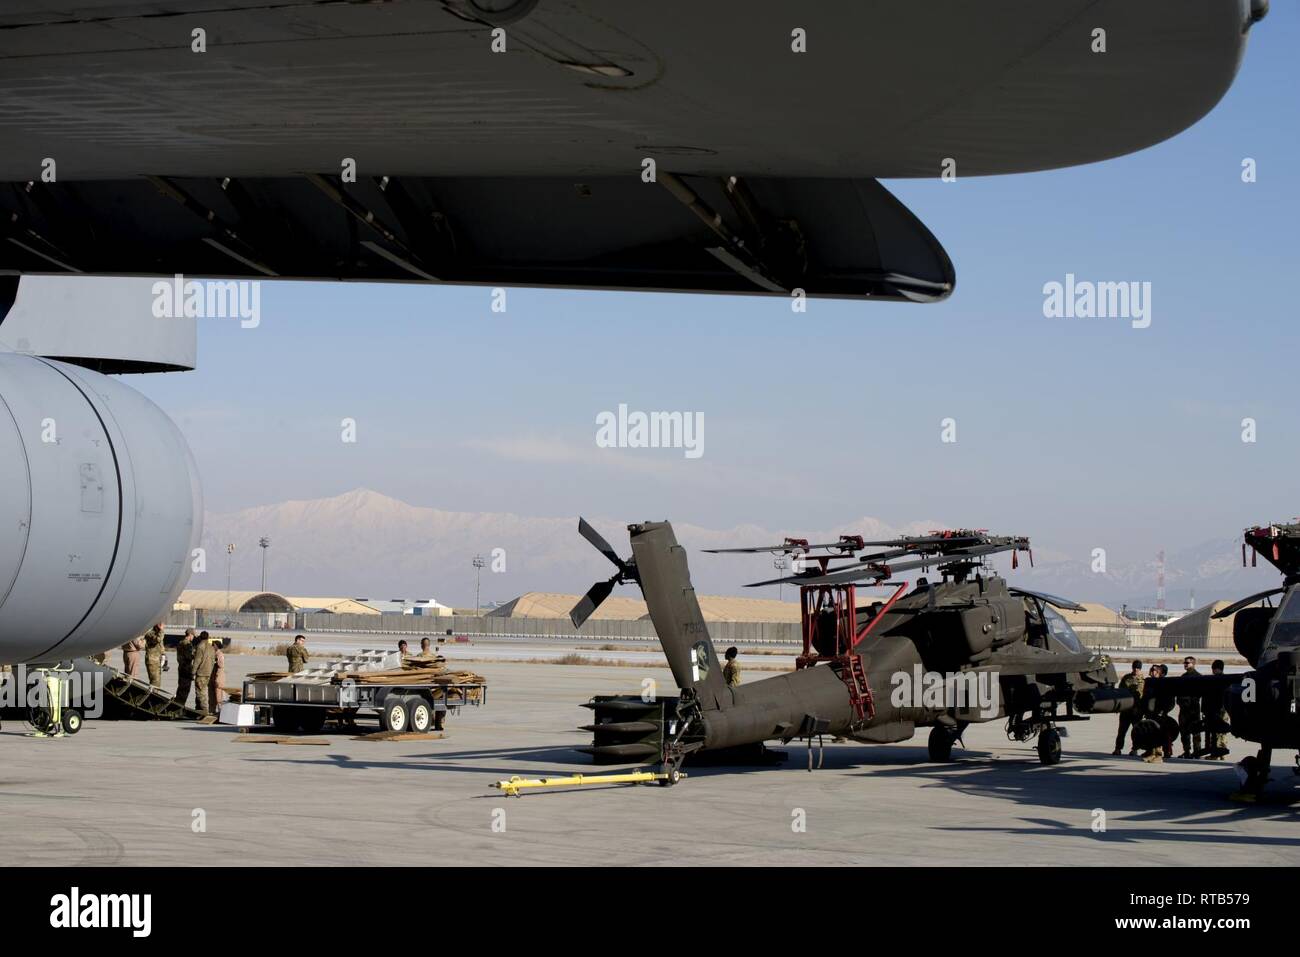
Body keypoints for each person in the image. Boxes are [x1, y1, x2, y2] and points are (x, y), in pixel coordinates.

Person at [1113, 660, 1144, 756]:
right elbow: (1120, 692)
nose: (1136, 670)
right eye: (1134, 667)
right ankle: (1118, 748)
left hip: (1137, 710)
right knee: (1122, 730)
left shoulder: (1143, 681)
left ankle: (1135, 749)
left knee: (1136, 731)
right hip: (1126, 709)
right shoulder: (1126, 678)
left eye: (1138, 668)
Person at [1176, 656, 1202, 758]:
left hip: (1193, 708)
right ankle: (1187, 751)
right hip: (1184, 709)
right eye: (1185, 663)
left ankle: (1197, 751)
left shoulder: (1198, 677)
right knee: (1184, 731)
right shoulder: (1183, 677)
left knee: (1195, 731)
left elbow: (1201, 693)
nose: (1185, 664)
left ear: (1193, 664)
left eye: (1188, 663)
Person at [1205, 659, 1231, 759]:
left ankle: (1217, 752)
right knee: (1222, 731)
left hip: (1219, 708)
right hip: (1224, 708)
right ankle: (1221, 752)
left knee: (1216, 730)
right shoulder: (1226, 680)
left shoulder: (1216, 680)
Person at [192, 630, 215, 714]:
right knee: (203, 691)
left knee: (200, 693)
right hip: (208, 673)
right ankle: (198, 710)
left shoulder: (200, 646)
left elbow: (197, 661)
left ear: (200, 637)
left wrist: (193, 672)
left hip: (201, 673)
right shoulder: (211, 647)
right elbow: (213, 661)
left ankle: (205, 711)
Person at [174, 628, 196, 706]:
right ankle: (180, 705)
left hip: (181, 667)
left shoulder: (180, 642)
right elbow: (188, 657)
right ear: (190, 635)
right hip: (186, 668)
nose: (193, 637)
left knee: (180, 688)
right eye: (193, 635)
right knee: (185, 689)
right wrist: (195, 655)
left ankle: (177, 704)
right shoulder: (188, 644)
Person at [208, 637, 226, 715]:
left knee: (219, 697)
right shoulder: (214, 654)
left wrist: (217, 679)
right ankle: (212, 711)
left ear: (216, 646)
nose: (212, 646)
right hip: (212, 678)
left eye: (213, 645)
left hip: (218, 678)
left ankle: (221, 713)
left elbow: (221, 666)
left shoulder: (220, 654)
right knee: (211, 696)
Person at [144, 623, 165, 687]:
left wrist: (163, 655)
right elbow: (158, 640)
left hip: (157, 660)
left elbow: (160, 646)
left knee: (157, 682)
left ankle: (155, 694)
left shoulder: (158, 633)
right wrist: (161, 630)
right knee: (154, 682)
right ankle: (152, 696)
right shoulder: (150, 634)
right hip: (152, 661)